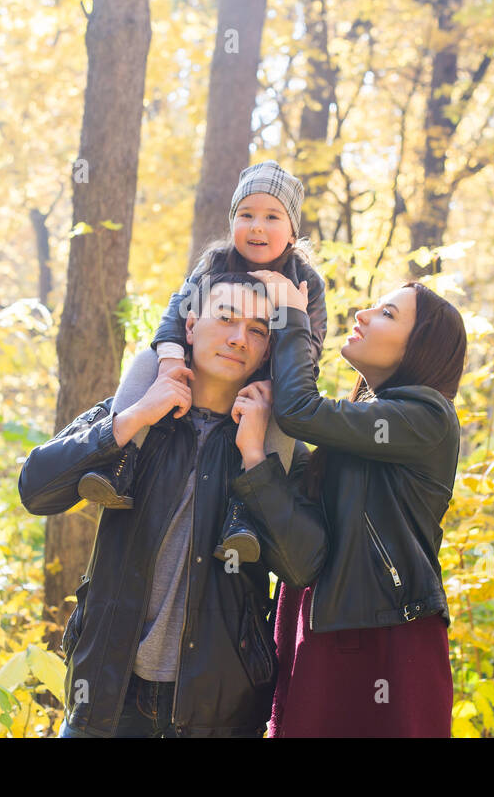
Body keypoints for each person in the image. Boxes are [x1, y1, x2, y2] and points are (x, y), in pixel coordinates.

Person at [18, 273, 326, 737]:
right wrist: (136, 415)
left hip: (220, 710)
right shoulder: (131, 416)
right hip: (106, 695)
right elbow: (36, 489)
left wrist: (254, 459)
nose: (239, 337)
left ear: (266, 351)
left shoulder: (275, 449)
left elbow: (304, 565)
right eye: (225, 318)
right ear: (189, 327)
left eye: (258, 330)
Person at [75, 161, 328, 568]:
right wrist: (171, 355)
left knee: (279, 419)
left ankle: (243, 515)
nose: (257, 227)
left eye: (271, 217)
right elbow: (177, 312)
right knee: (147, 360)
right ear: (232, 223)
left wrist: (281, 379)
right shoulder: (216, 263)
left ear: (293, 232)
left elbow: (311, 345)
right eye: (245, 215)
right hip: (201, 372)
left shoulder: (305, 281)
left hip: (270, 378)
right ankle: (120, 460)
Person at [249, 269, 468, 737]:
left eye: (387, 313)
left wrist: (292, 319)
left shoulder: (428, 417)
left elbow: (300, 411)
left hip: (388, 638)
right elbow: (302, 500)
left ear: (420, 347)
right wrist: (256, 441)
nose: (363, 314)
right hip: (320, 621)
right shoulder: (364, 423)